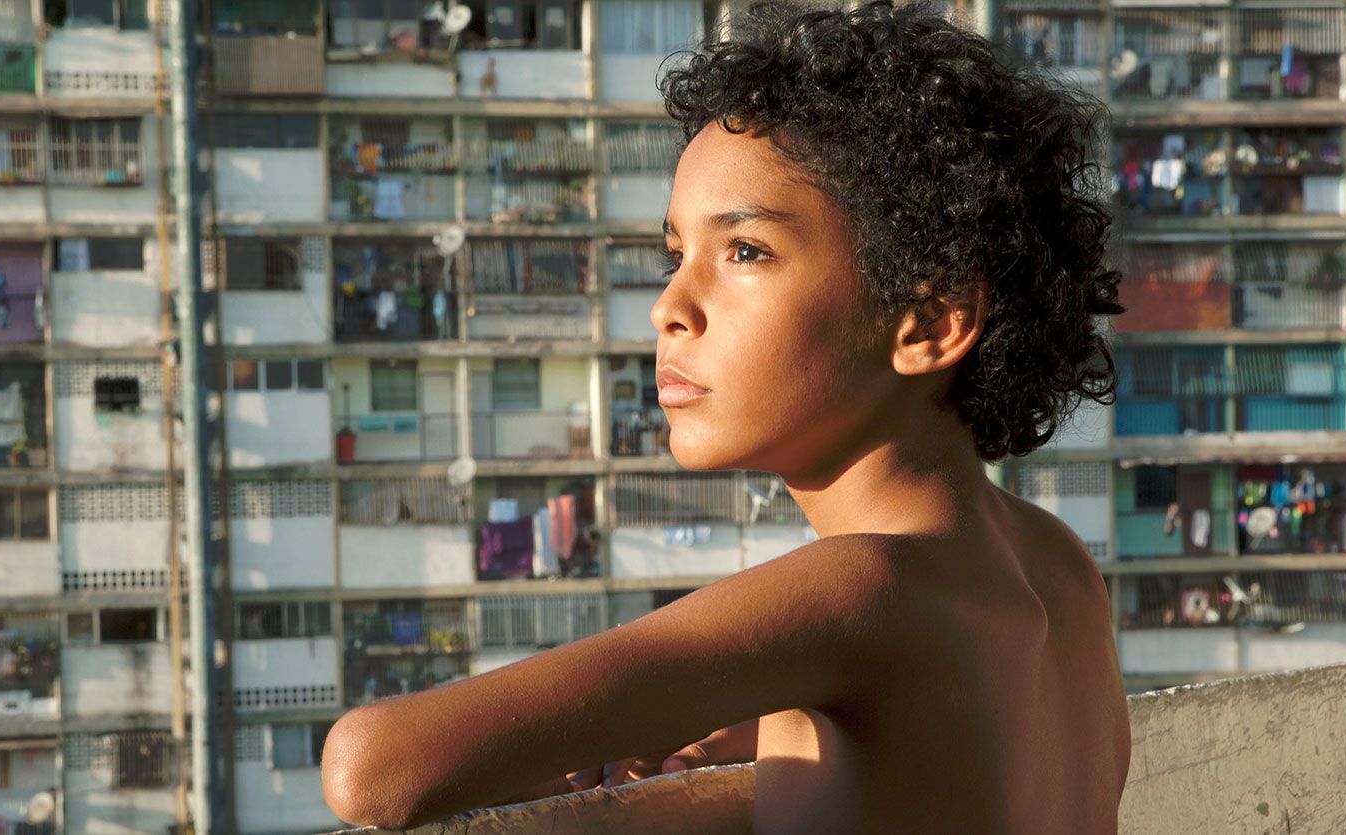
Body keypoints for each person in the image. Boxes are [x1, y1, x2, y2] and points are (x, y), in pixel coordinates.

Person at [320, 1, 1131, 831]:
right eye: (677, 254)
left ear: (928, 321)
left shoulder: (859, 591)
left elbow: (374, 765)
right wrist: (768, 721)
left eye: (745, 251)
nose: (669, 306)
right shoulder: (1060, 570)